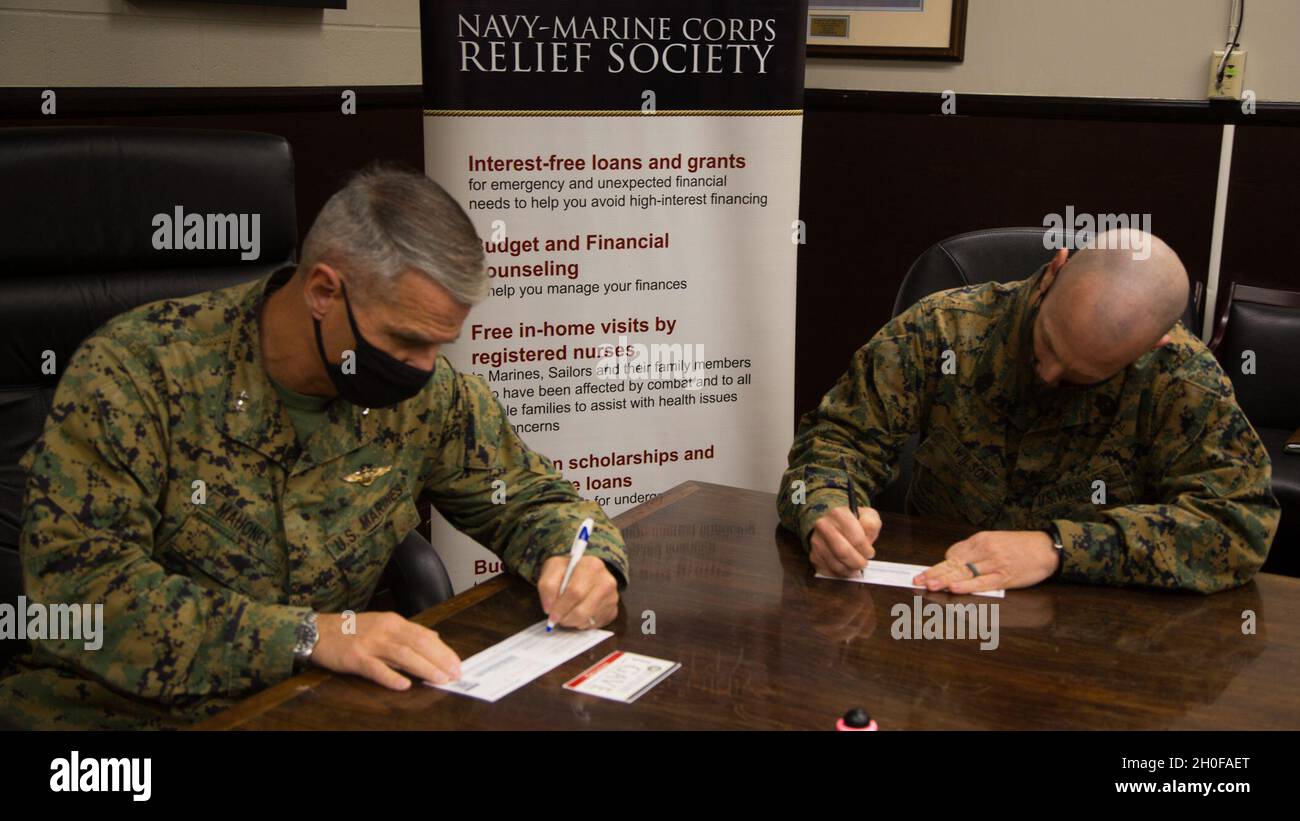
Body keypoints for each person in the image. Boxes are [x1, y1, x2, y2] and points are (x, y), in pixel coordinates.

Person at [0, 166, 627, 729]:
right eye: (406, 341)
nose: (424, 368)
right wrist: (305, 637)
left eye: (441, 345)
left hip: (315, 706)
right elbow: (84, 598)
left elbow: (530, 496)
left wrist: (583, 560)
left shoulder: (428, 397)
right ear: (324, 292)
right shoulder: (137, 374)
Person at [779, 229, 1277, 595]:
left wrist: (1058, 549)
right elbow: (836, 440)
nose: (1048, 375)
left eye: (1082, 374)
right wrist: (824, 508)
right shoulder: (943, 330)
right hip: (937, 595)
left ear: (1153, 345)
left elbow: (1238, 523)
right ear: (1055, 271)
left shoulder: (1181, 378)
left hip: (1095, 619)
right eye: (1048, 343)